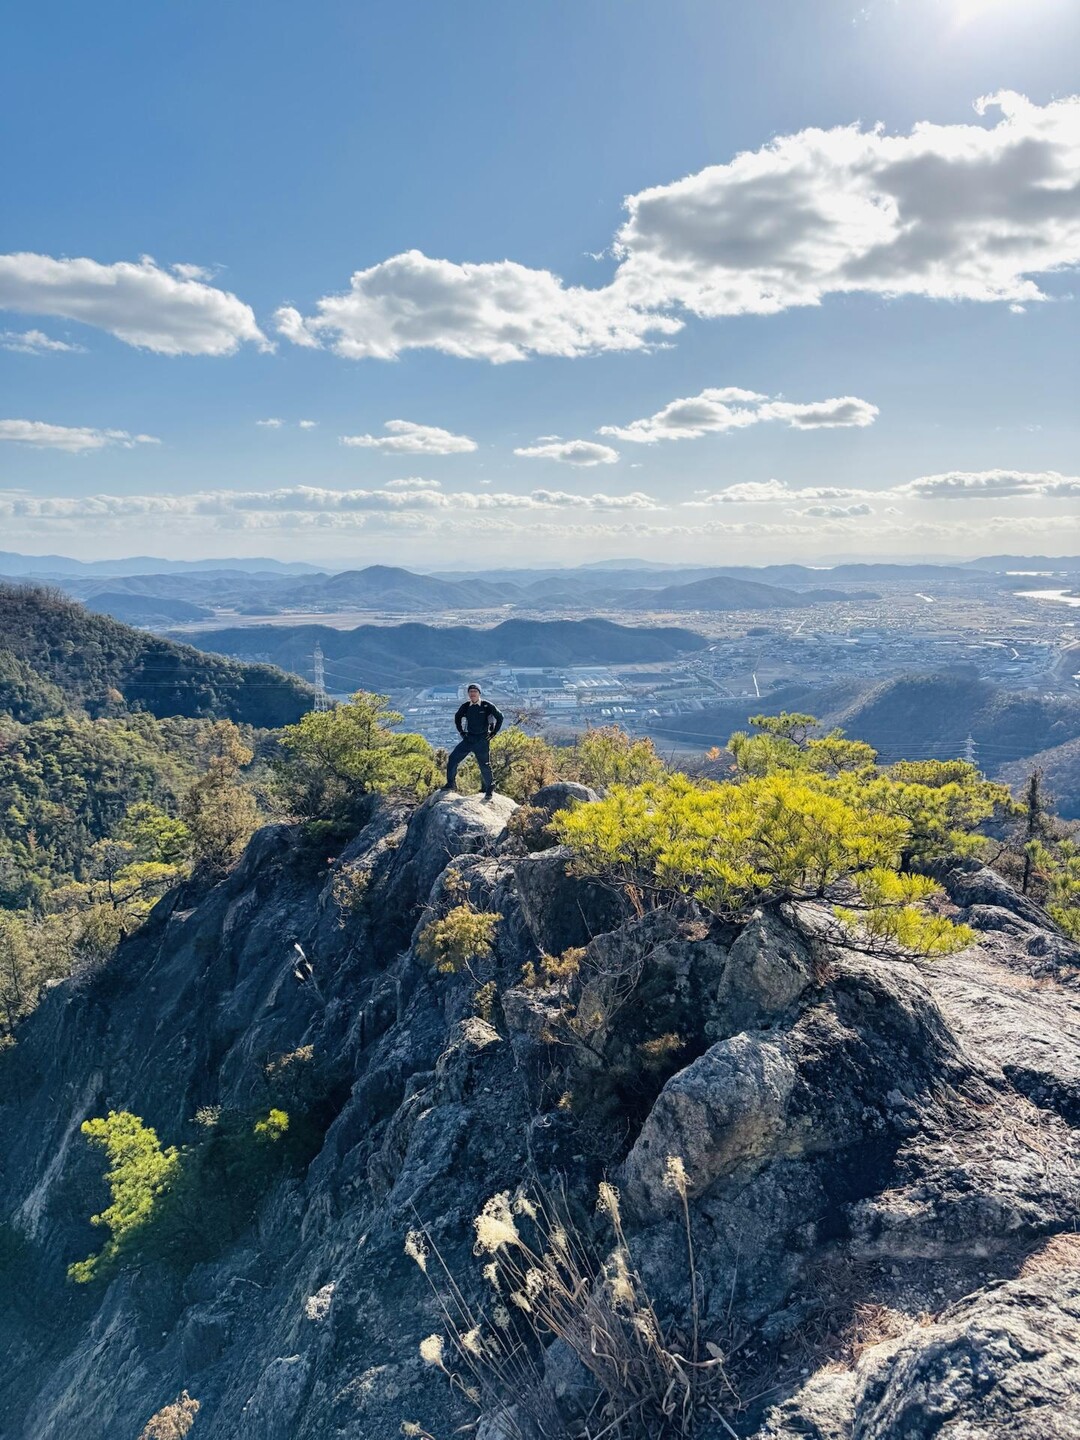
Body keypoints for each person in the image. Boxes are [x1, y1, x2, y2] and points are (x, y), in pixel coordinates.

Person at [444, 684, 503, 796]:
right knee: (452, 759)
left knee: (484, 765)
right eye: (470, 691)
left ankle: (490, 788)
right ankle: (451, 783)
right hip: (469, 739)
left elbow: (500, 717)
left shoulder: (487, 705)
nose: (473, 693)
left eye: (475, 691)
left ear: (479, 693)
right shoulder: (466, 706)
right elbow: (457, 717)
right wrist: (461, 731)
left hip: (482, 740)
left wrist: (494, 732)